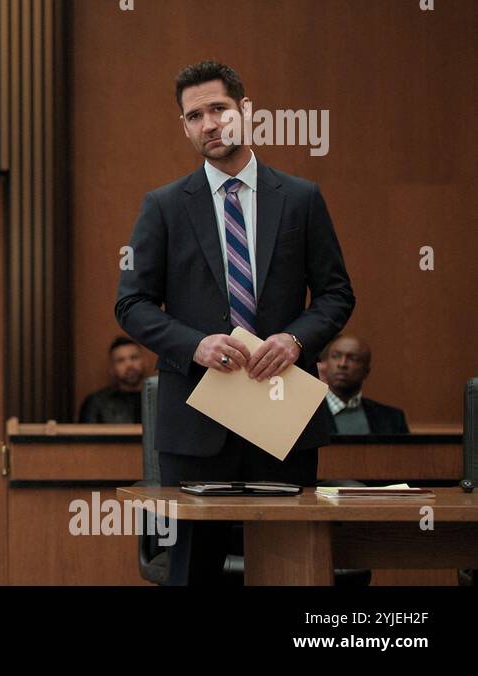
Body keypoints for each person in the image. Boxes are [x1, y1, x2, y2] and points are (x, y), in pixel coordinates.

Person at [115, 60, 354, 585]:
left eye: (219, 109)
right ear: (184, 126)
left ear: (246, 111)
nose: (209, 124)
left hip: (282, 417)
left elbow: (337, 294)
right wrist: (195, 345)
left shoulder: (300, 198)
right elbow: (130, 304)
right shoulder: (163, 208)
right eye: (194, 115)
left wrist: (296, 340)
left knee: (292, 569)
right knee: (194, 573)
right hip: (197, 426)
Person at [317, 334, 409, 435]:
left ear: (366, 371)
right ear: (326, 365)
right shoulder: (307, 415)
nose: (342, 364)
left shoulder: (392, 418)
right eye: (336, 356)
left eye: (353, 358)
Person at [77, 336, 147, 423]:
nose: (129, 365)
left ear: (144, 361)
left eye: (134, 358)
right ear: (112, 368)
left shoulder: (160, 398)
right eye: (120, 360)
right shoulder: (96, 403)